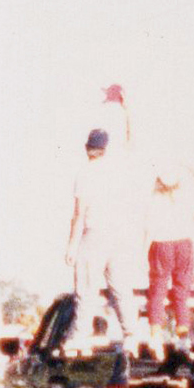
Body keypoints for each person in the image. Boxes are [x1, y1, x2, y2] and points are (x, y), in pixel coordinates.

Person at [65, 126, 137, 345]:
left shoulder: (85, 173)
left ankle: (80, 334)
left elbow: (79, 212)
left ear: (87, 148)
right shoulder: (117, 168)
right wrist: (127, 112)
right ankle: (131, 332)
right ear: (105, 148)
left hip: (95, 233)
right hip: (119, 234)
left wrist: (72, 245)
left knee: (86, 287)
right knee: (121, 288)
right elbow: (130, 142)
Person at [145, 161, 194, 349]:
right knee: (182, 290)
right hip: (184, 242)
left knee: (158, 288)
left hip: (162, 242)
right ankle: (183, 329)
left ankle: (155, 332)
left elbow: (147, 226)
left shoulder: (154, 197)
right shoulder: (187, 196)